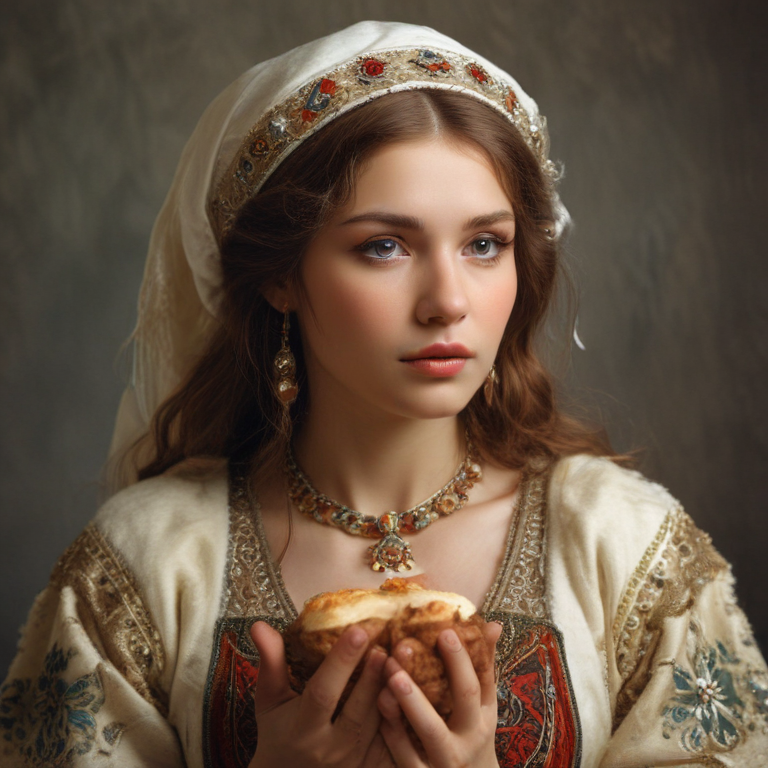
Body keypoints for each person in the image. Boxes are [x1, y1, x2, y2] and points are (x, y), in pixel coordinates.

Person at [1, 20, 766, 768]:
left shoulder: (623, 545)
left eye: (484, 245)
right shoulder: (149, 563)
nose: (448, 300)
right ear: (278, 276)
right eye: (384, 246)